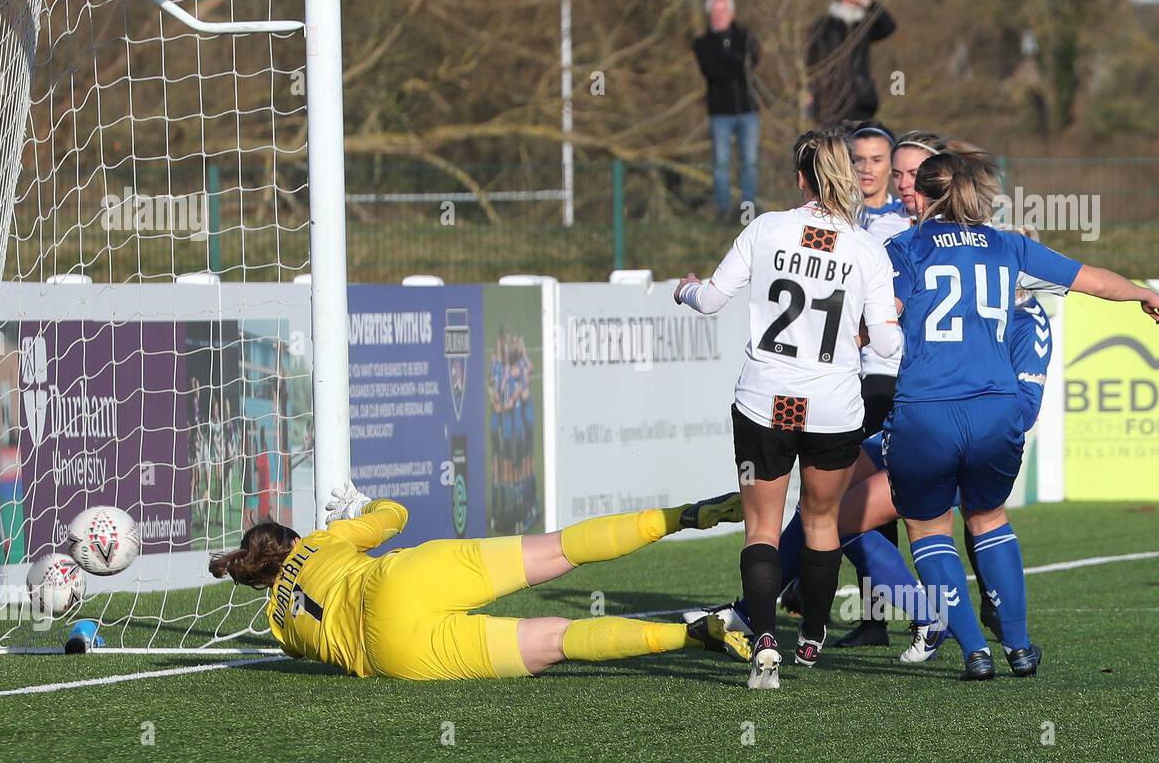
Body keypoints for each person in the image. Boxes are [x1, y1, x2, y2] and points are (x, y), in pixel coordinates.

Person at [886, 149, 1159, 680]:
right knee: (988, 518)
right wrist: (1142, 294)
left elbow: (884, 318)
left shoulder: (903, 248)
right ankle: (1018, 646)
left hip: (927, 409)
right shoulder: (1009, 245)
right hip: (996, 408)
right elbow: (1090, 279)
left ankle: (974, 649)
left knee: (928, 529)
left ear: (922, 197)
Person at [674, 129, 901, 689]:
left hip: (765, 402)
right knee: (821, 521)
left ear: (802, 178)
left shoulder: (766, 228)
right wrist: (877, 323)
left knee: (763, 529)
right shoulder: (866, 248)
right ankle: (813, 637)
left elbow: (708, 301)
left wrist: (683, 289)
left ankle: (764, 643)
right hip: (832, 407)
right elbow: (889, 347)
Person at [208, 488, 750, 680]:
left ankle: (693, 634)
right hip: (400, 579)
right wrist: (361, 505)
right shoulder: (321, 542)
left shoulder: (279, 627)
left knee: (556, 641)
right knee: (556, 548)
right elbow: (395, 515)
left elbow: (311, 639)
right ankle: (683, 516)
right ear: (289, 539)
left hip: (392, 651)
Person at [692, 0, 761, 223]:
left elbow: (752, 61)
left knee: (749, 163)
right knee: (721, 164)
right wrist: (736, 62)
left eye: (724, 10)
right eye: (715, 11)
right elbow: (713, 70)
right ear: (709, 14)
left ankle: (747, 210)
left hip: (748, 110)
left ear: (732, 13)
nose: (720, 15)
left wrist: (729, 59)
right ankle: (723, 210)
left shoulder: (746, 37)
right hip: (719, 113)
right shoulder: (701, 43)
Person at [805, 0, 895, 128]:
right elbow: (811, 60)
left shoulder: (863, 27)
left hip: (860, 98)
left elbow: (888, 26)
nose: (851, 3)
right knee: (833, 143)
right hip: (829, 97)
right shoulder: (824, 26)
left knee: (859, 141)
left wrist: (870, 4)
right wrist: (810, 91)